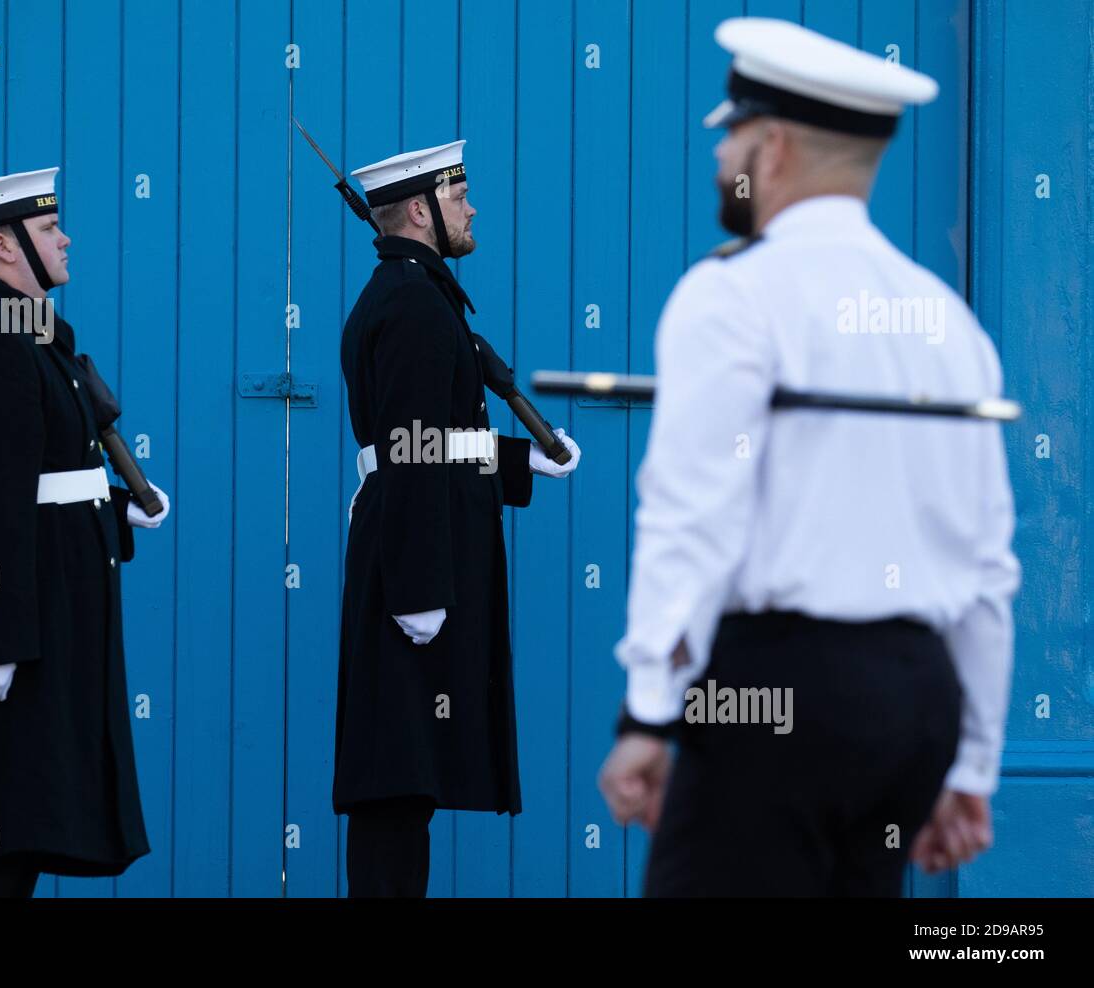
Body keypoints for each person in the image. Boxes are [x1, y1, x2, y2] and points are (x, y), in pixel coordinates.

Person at [597, 17, 1021, 896]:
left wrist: (646, 710)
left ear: (775, 146)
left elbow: (691, 515)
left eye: (734, 138)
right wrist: (972, 764)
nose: (721, 162)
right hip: (917, 702)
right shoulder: (948, 321)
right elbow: (988, 568)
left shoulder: (733, 296)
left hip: (778, 696)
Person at [334, 140, 581, 896]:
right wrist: (418, 588)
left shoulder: (420, 294)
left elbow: (431, 439)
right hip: (415, 567)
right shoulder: (411, 302)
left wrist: (518, 461)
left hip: (418, 553)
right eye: (459, 193)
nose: (471, 207)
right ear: (419, 209)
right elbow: (407, 451)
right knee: (396, 782)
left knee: (408, 779)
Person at [0, 166, 170, 897]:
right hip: (14, 626)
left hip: (46, 610)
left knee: (21, 819)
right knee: (1, 831)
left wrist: (114, 508)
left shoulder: (29, 339)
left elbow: (43, 481)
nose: (65, 238)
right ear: (3, 245)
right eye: (47, 228)